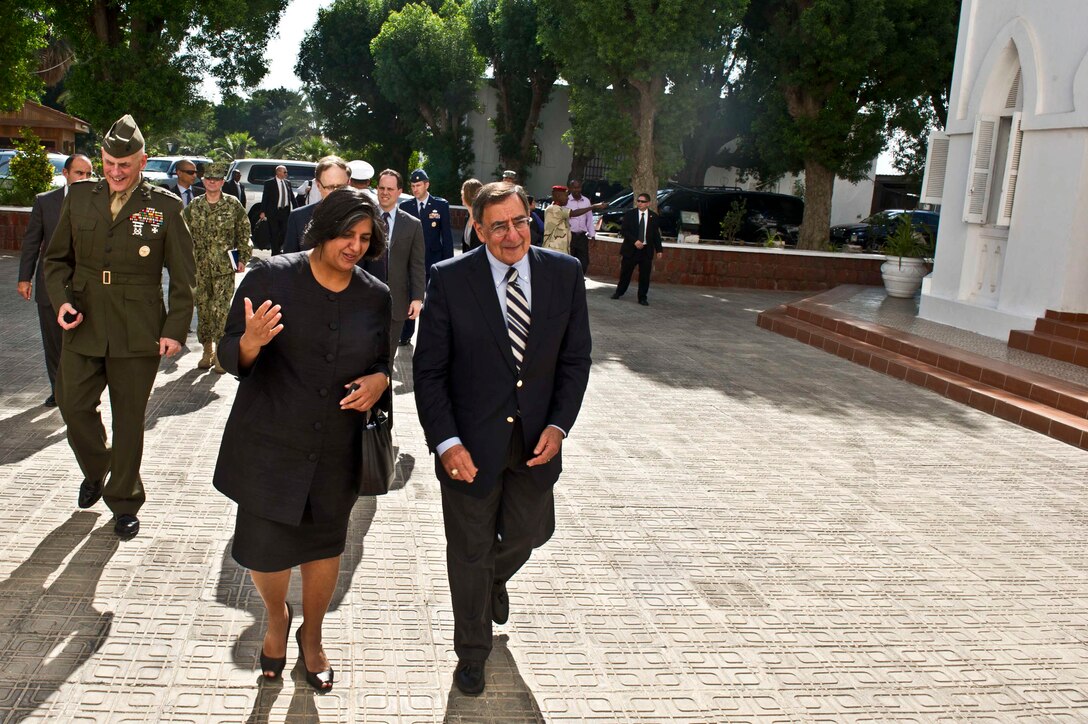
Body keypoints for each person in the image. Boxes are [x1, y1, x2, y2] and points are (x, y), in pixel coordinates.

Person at [413, 182, 592, 696]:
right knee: (467, 551)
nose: (512, 234)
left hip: (538, 444)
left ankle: (495, 578)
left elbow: (575, 359)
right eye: (498, 226)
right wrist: (446, 442)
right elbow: (429, 372)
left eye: (519, 221)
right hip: (469, 448)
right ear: (477, 228)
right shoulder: (449, 279)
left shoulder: (564, 274)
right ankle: (472, 652)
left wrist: (560, 426)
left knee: (531, 534)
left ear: (530, 217)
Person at [212, 188, 391, 691]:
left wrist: (379, 382)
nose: (354, 246)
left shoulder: (375, 295)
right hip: (271, 444)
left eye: (364, 238)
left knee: (323, 550)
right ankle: (276, 618)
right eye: (345, 234)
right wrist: (249, 343)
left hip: (336, 448)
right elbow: (230, 352)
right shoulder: (270, 277)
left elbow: (381, 362)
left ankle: (313, 636)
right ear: (322, 229)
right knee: (264, 555)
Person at [44, 114, 196, 540]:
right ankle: (98, 468)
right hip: (84, 319)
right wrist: (62, 302)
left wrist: (174, 330)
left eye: (124, 165)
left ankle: (125, 500)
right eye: (108, 162)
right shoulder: (77, 198)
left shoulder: (165, 206)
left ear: (142, 161)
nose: (114, 172)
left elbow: (184, 277)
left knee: (129, 419)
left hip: (138, 326)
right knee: (71, 405)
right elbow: (56, 261)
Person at [17, 153, 94, 407]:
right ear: (66, 174)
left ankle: (78, 390)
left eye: (88, 174)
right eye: (79, 173)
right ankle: (58, 391)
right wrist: (24, 278)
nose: (84, 178)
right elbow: (31, 242)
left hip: (85, 286)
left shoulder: (99, 200)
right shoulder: (45, 202)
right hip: (50, 285)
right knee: (53, 342)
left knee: (81, 342)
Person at [181, 161, 251, 373]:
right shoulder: (194, 206)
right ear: (203, 180)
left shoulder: (232, 205)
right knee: (203, 309)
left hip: (223, 268)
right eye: (209, 179)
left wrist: (243, 258)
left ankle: (220, 353)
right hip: (199, 268)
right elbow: (182, 236)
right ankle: (207, 350)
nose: (212, 182)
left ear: (222, 182)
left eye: (217, 179)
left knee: (220, 310)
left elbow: (244, 233)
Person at [374, 169, 425, 367]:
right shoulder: (364, 219)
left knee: (386, 360)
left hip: (397, 303)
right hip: (365, 300)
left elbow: (417, 264)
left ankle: (384, 396)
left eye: (390, 189)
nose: (385, 192)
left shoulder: (412, 225)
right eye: (381, 188)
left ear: (399, 191)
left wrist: (417, 298)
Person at [399, 169, 452, 345]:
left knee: (432, 301)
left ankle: (430, 335)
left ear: (427, 184)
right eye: (413, 186)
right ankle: (406, 334)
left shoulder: (440, 205)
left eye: (418, 185)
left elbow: (447, 236)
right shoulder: (406, 207)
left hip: (433, 261)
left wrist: (448, 264)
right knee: (411, 298)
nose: (415, 189)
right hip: (412, 263)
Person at [282, 156, 351, 254]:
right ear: (318, 185)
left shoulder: (365, 217)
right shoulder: (298, 218)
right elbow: (289, 263)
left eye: (341, 187)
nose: (336, 193)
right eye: (330, 187)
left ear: (349, 183)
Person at [611, 192, 663, 306]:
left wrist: (659, 250)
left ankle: (642, 297)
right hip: (631, 249)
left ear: (648, 203)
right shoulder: (630, 214)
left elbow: (655, 235)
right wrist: (635, 241)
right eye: (638, 201)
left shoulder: (653, 217)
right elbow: (624, 230)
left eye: (642, 201)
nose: (639, 203)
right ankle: (619, 292)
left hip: (646, 250)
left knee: (644, 275)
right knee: (626, 273)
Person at [542, 185, 603, 256]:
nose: (568, 198)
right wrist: (594, 206)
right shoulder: (553, 209)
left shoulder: (559, 208)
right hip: (553, 250)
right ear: (558, 196)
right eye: (565, 196)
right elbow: (574, 213)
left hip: (560, 250)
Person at [260, 165, 298, 255]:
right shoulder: (269, 183)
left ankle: (278, 248)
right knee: (274, 233)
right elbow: (265, 197)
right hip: (273, 212)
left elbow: (292, 197)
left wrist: (297, 209)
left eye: (286, 172)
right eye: (285, 172)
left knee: (284, 232)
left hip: (285, 212)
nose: (286, 174)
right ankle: (275, 252)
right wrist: (262, 211)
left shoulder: (287, 183)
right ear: (278, 172)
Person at [566, 179, 597, 274]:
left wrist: (592, 235)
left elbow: (589, 219)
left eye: (579, 187)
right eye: (574, 188)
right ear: (570, 188)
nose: (577, 190)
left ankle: (579, 281)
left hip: (582, 237)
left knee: (584, 262)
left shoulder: (586, 201)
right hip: (569, 236)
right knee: (569, 261)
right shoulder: (566, 201)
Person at [460, 178, 483, 253]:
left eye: (462, 193)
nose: (461, 196)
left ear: (468, 195)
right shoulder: (467, 217)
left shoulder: (482, 219)